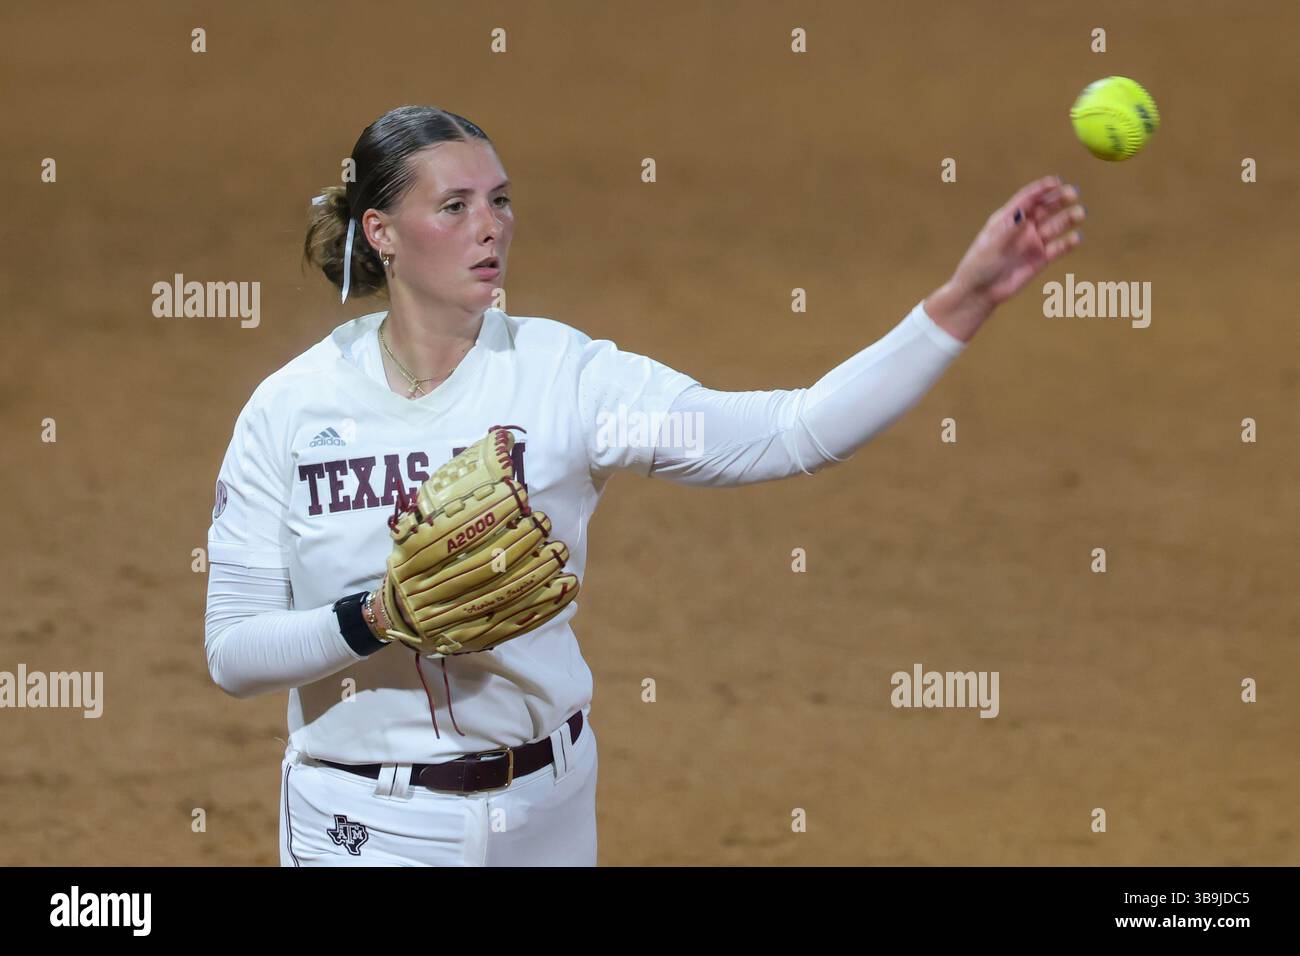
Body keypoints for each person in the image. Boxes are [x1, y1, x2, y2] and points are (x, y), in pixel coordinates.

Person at [203, 105, 1085, 867]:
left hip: (545, 813)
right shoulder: (289, 412)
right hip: (362, 827)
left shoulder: (568, 380)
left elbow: (790, 432)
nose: (492, 226)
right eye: (456, 205)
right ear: (381, 234)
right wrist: (374, 618)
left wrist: (963, 302)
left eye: (501, 200)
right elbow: (234, 654)